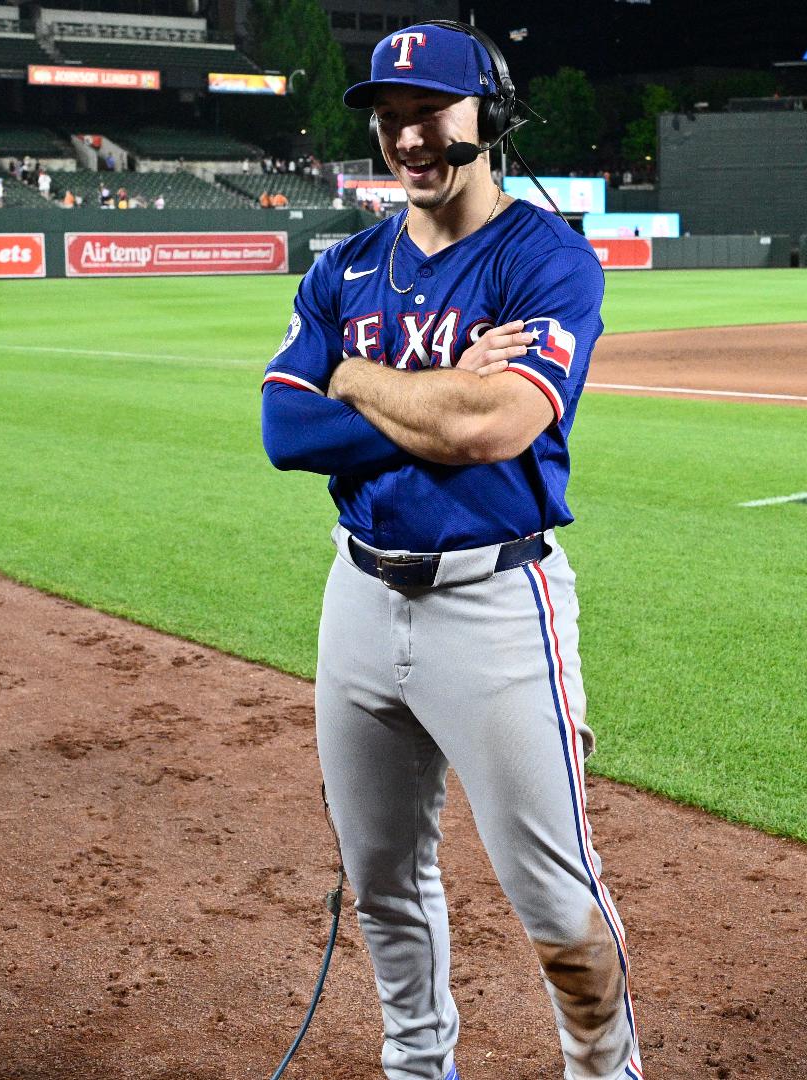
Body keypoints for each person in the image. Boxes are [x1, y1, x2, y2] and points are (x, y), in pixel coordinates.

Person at [258, 22, 641, 1080]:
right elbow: (284, 431)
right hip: (359, 596)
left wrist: (357, 381)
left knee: (557, 898)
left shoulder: (543, 258)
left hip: (495, 602)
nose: (407, 136)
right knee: (382, 881)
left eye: (428, 111)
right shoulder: (347, 267)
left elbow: (492, 428)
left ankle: (607, 1072)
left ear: (491, 118)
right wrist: (431, 392)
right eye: (390, 117)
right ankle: (416, 1068)